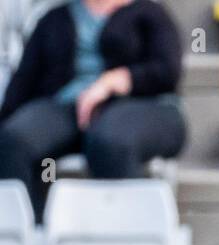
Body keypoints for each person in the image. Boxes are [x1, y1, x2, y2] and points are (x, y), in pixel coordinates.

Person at [0, 0, 186, 220]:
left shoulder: (149, 13)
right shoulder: (54, 19)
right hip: (66, 108)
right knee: (13, 141)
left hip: (140, 105)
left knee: (110, 142)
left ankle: (126, 235)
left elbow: (168, 70)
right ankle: (31, 235)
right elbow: (23, 83)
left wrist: (114, 82)